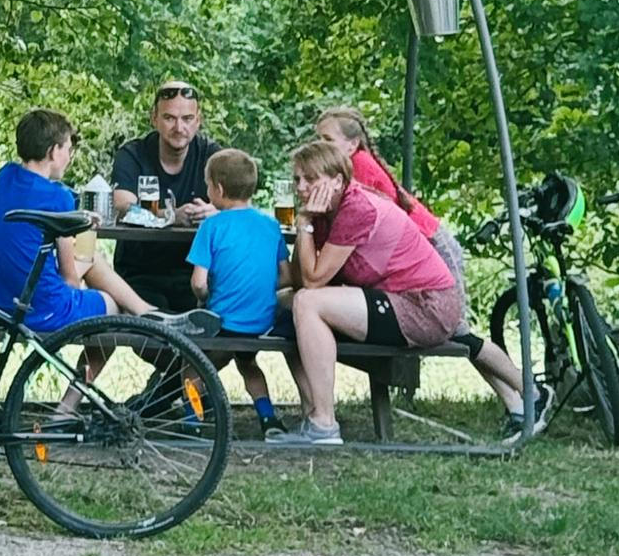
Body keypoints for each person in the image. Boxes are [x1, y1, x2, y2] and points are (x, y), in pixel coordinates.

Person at [313, 107, 546, 439]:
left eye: (327, 139)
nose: (320, 145)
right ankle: (518, 404)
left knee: (456, 331)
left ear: (352, 145)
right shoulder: (352, 165)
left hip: (431, 249)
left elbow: (372, 226)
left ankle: (531, 392)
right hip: (415, 253)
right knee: (457, 334)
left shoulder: (356, 170)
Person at [270, 140, 464, 446]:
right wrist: (306, 226)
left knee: (307, 303)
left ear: (337, 180)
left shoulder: (356, 208)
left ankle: (324, 425)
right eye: (297, 179)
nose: (301, 187)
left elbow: (313, 281)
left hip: (424, 306)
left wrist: (304, 223)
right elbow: (298, 278)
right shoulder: (326, 211)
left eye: (310, 179)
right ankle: (313, 416)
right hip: (391, 300)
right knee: (287, 303)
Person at [0, 110, 200, 332]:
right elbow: (71, 281)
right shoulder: (59, 198)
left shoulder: (5, 176)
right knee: (112, 301)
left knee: (89, 258)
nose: (69, 156)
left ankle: (147, 313)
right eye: (68, 149)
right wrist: (86, 248)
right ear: (54, 151)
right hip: (43, 311)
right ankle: (149, 315)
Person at [186, 149, 290, 437]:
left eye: (208, 186)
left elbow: (198, 283)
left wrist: (206, 296)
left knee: (191, 368)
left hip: (224, 323)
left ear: (218, 188)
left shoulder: (211, 226)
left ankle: (192, 421)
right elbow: (286, 276)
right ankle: (269, 419)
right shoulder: (271, 224)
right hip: (261, 323)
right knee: (248, 363)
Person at [108, 81, 225, 311]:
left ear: (198, 120)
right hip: (140, 273)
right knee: (154, 341)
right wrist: (170, 216)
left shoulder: (214, 156)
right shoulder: (132, 154)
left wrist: (217, 213)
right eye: (170, 118)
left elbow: (241, 205)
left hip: (196, 275)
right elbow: (122, 206)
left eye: (187, 119)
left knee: (215, 331)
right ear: (154, 118)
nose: (179, 127)